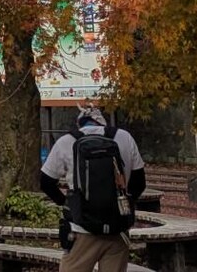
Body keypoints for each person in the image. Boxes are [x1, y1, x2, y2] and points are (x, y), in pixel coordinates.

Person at [40, 106, 145, 272]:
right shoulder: (124, 137)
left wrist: (67, 203)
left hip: (81, 229)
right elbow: (139, 182)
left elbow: (45, 182)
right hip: (117, 229)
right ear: (102, 122)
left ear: (80, 124)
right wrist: (124, 204)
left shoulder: (66, 141)